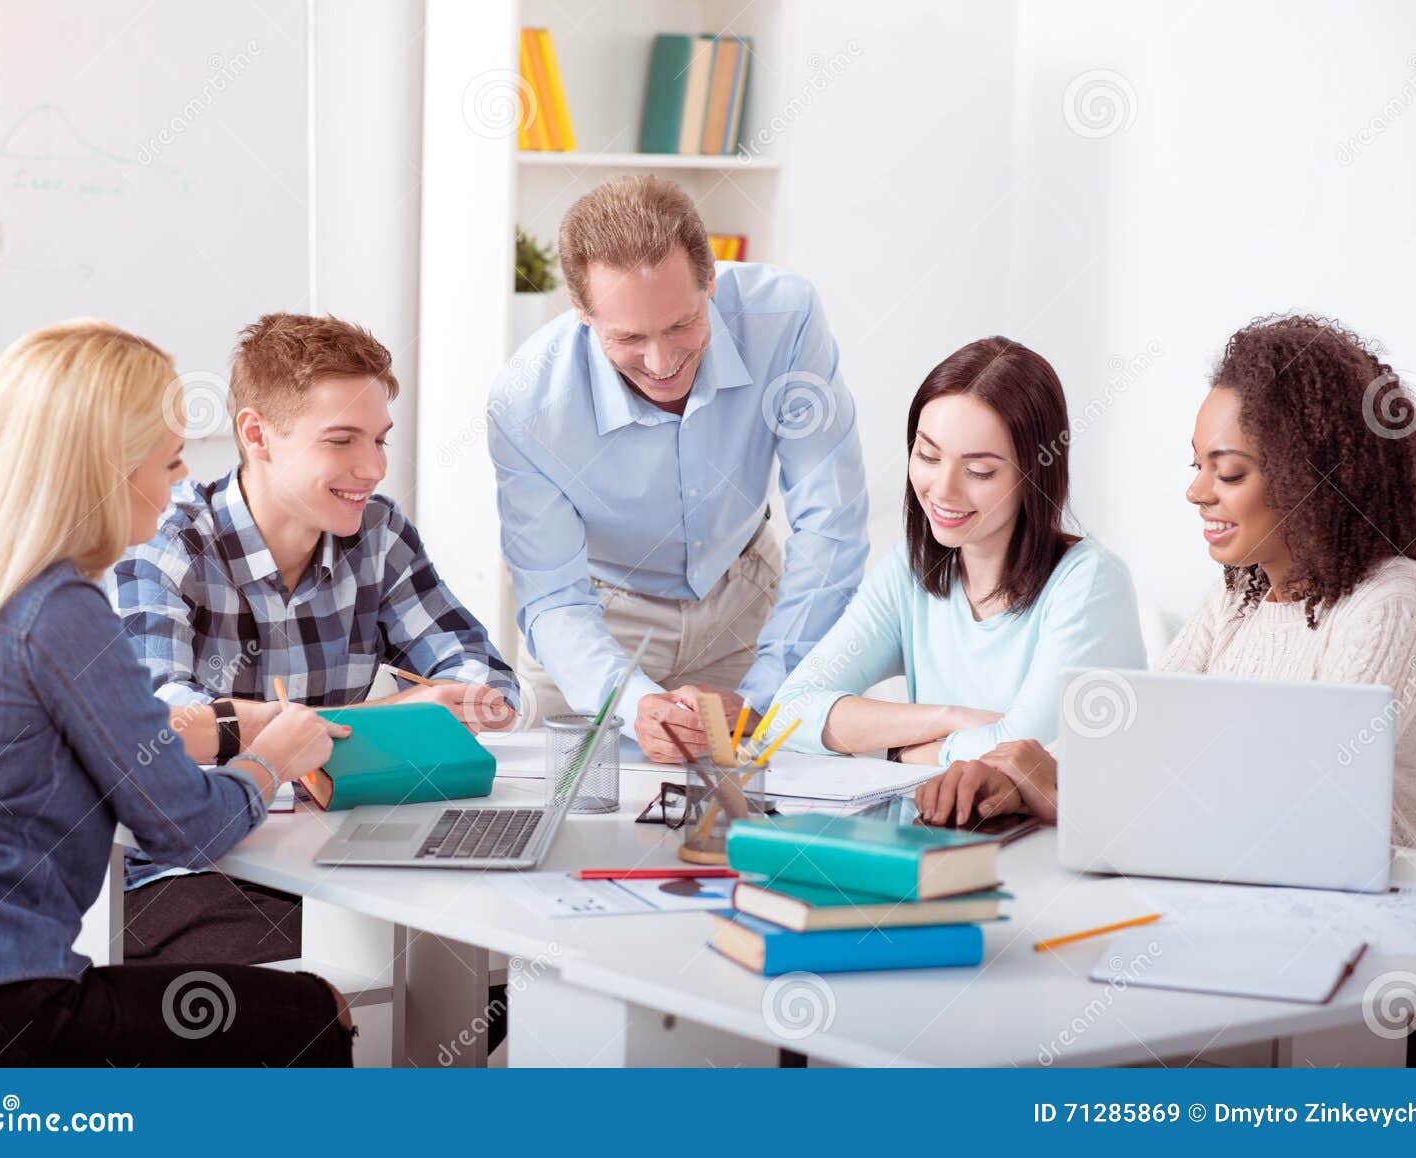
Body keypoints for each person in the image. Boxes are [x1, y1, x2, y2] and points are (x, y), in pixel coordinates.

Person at [914, 316, 1416, 1065]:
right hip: (1260, 945)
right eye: (1197, 465)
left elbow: (1295, 827)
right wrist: (1011, 769)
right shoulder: (1236, 598)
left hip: (1388, 996)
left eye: (1228, 472)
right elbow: (1130, 738)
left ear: (1312, 477)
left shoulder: (1391, 600)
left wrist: (1066, 791)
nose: (1197, 491)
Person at [0, 320, 353, 1066]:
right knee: (313, 1012)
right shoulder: (58, 609)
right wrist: (274, 757)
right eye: (171, 460)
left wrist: (219, 726)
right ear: (106, 471)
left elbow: (54, 736)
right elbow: (183, 830)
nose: (180, 483)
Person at [111, 312, 518, 965]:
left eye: (380, 440)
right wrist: (394, 718)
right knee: (301, 999)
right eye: (342, 440)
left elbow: (485, 677)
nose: (372, 467)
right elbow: (164, 727)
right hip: (202, 870)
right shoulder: (166, 542)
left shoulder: (377, 534)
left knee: (485, 947)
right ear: (257, 435)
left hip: (349, 855)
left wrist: (465, 699)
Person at [488, 175, 868, 763]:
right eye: (630, 338)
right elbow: (553, 599)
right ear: (582, 313)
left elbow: (831, 523)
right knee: (572, 808)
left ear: (711, 277)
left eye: (681, 325)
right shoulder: (526, 402)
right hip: (602, 623)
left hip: (747, 599)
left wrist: (766, 693)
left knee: (766, 799)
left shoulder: (785, 319)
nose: (662, 362)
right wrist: (632, 702)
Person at [768, 336, 1145, 764]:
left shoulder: (1090, 585)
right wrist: (946, 717)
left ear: (1035, 476)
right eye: (928, 456)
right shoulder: (909, 572)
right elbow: (787, 714)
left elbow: (1021, 757)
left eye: (979, 471)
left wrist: (903, 752)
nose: (943, 491)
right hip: (935, 826)